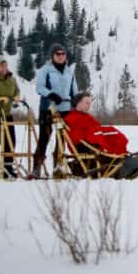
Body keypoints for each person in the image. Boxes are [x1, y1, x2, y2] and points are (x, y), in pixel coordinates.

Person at [32, 43, 79, 178]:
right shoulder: (46, 70)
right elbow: (40, 88)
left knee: (62, 138)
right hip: (48, 108)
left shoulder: (69, 71)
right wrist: (51, 94)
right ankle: (37, 167)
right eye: (58, 54)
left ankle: (58, 166)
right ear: (52, 56)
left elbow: (74, 90)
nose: (61, 56)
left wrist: (77, 102)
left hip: (65, 108)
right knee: (45, 137)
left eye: (63, 54)